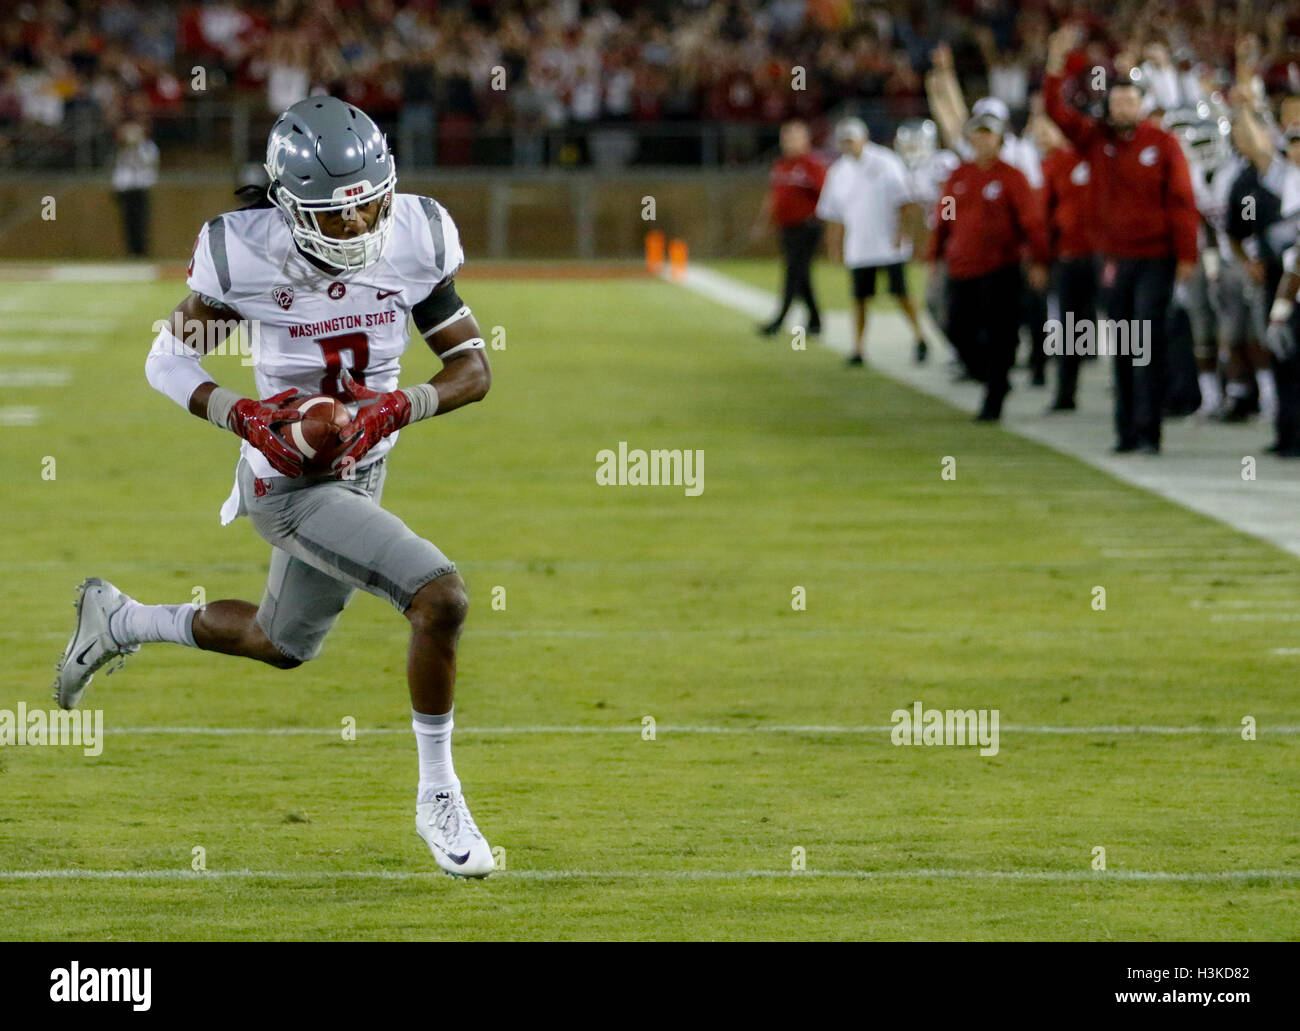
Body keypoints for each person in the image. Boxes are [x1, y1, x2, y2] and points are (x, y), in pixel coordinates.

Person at [52, 97, 496, 878]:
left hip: (366, 460)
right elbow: (167, 361)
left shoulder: (416, 236)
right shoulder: (245, 254)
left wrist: (395, 406)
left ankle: (121, 620)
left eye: (370, 208)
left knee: (281, 642)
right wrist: (248, 417)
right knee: (442, 598)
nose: (360, 229)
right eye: (338, 215)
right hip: (289, 481)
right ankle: (439, 794)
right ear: (290, 210)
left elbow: (471, 370)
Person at [1045, 25, 1200, 454]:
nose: (1123, 108)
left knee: (1146, 343)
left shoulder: (1163, 143)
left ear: (1142, 105)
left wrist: (1186, 254)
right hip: (1113, 259)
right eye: (1116, 102)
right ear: (1108, 107)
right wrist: (1056, 64)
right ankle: (1126, 432)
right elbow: (1057, 114)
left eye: (1130, 101)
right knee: (1125, 346)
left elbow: (1183, 201)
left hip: (1155, 258)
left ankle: (1149, 431)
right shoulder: (1098, 141)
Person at [928, 111, 1050, 421]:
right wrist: (935, 255)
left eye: (988, 134)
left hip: (1000, 267)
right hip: (961, 266)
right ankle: (990, 374)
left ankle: (994, 396)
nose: (982, 140)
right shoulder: (960, 176)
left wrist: (1038, 259)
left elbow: (1031, 221)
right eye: (977, 134)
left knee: (1000, 332)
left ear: (1000, 140)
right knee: (956, 326)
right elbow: (945, 219)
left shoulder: (1012, 176)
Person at [816, 117, 925, 366]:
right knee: (859, 299)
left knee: (900, 294)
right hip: (859, 245)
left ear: (863, 138)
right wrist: (834, 245)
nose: (847, 145)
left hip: (887, 242)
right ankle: (858, 348)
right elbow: (833, 213)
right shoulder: (838, 171)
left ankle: (920, 337)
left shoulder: (886, 161)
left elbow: (905, 200)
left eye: (851, 140)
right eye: (843, 141)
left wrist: (902, 232)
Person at [1037, 115, 1096, 411]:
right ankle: (1066, 392)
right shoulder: (1057, 162)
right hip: (1070, 256)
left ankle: (1141, 393)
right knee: (1070, 328)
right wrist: (1043, 257)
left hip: (1108, 254)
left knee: (1128, 324)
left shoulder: (1104, 155)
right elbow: (1046, 213)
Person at [756, 120, 827, 337]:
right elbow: (773, 197)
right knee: (800, 273)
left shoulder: (813, 164)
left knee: (793, 271)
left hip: (807, 227)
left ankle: (779, 320)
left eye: (794, 137)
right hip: (787, 227)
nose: (788, 142)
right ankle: (815, 319)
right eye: (785, 137)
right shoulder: (780, 165)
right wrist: (762, 222)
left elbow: (828, 194)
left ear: (805, 139)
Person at [111, 119, 160, 258]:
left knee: (141, 221)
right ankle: (131, 252)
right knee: (128, 223)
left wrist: (136, 147)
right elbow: (120, 171)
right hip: (127, 190)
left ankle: (142, 251)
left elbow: (147, 164)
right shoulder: (123, 151)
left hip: (141, 189)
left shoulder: (148, 148)